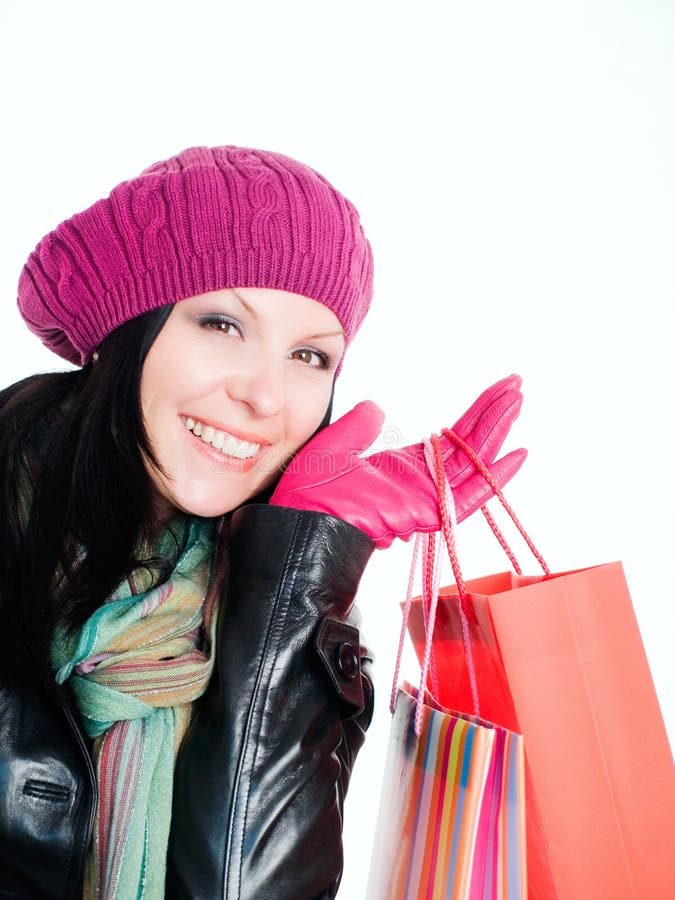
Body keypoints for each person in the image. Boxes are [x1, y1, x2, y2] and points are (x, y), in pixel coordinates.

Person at [0, 145, 526, 900]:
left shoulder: (260, 602)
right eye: (221, 324)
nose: (266, 396)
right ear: (126, 333)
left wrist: (297, 573)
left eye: (309, 356)